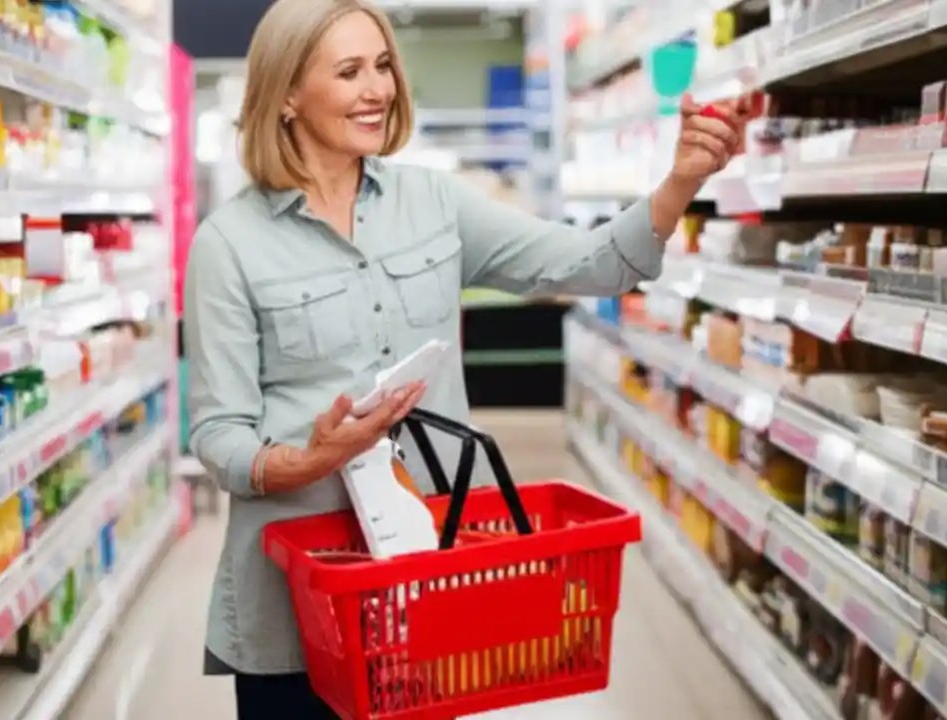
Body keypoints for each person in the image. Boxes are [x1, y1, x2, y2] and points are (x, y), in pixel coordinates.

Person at [181, 0, 743, 716]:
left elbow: (587, 263)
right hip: (302, 599)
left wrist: (681, 181)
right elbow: (221, 435)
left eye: (383, 65)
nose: (377, 88)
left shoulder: (434, 204)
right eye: (349, 71)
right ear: (287, 94)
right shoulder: (228, 244)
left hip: (427, 582)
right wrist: (307, 459)